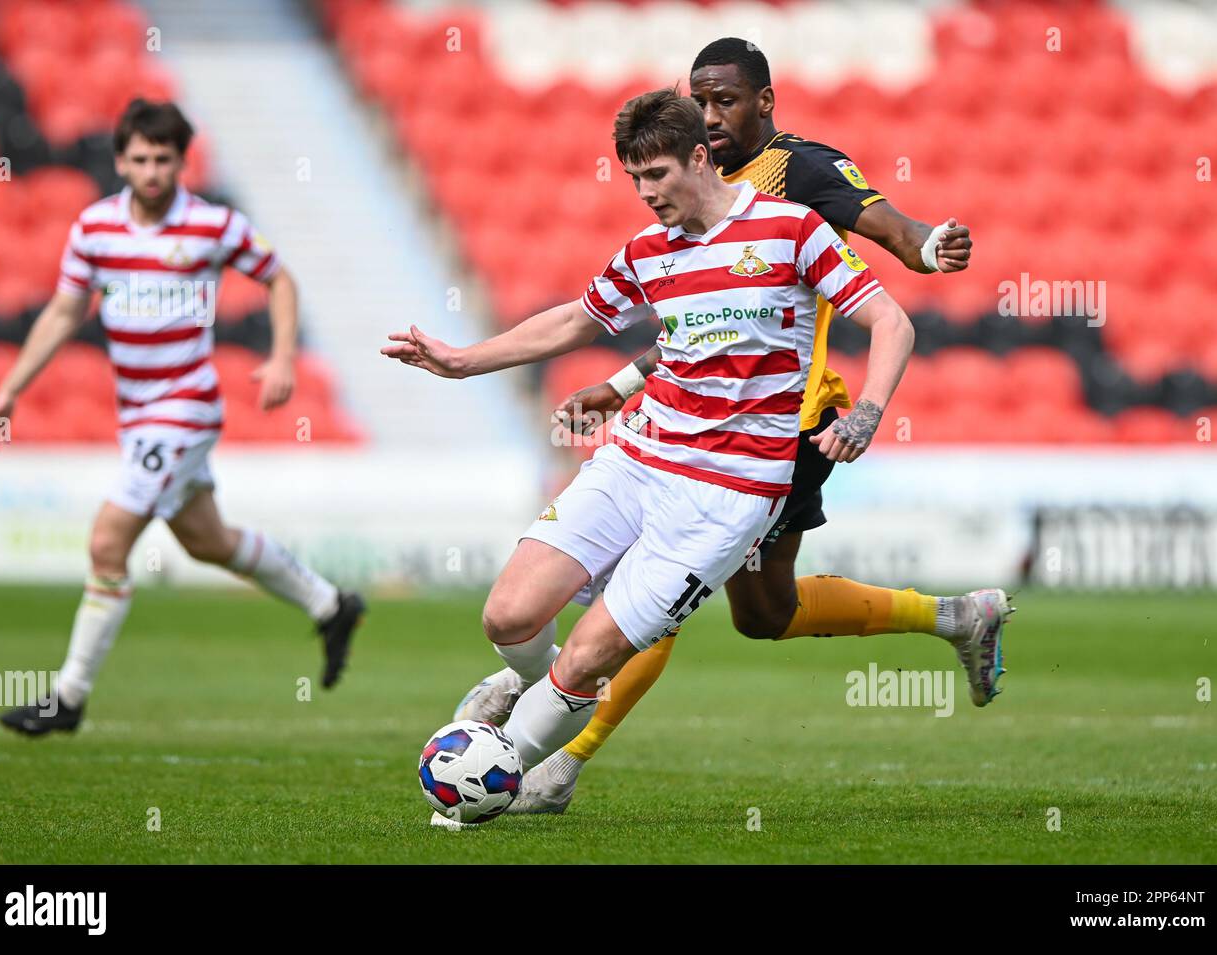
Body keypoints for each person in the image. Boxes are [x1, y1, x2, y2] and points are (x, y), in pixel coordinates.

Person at [462, 38, 1011, 815]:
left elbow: (892, 234)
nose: (712, 115)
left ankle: (558, 760)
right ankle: (955, 614)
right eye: (701, 101)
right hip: (694, 432)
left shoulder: (797, 173)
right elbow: (702, 327)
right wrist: (622, 384)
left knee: (656, 602)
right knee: (760, 614)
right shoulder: (689, 203)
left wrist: (927, 243)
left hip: (789, 431)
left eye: (725, 101)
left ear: (764, 102)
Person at [382, 85, 916, 828]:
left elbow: (890, 321)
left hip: (728, 495)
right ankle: (527, 694)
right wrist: (464, 360)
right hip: (637, 459)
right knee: (507, 617)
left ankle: (491, 781)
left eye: (657, 174)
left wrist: (867, 412)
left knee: (587, 660)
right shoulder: (648, 252)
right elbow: (576, 319)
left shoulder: (792, 230)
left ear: (699, 157)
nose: (645, 193)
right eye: (634, 178)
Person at [0, 99, 365, 736]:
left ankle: (68, 697)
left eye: (163, 159)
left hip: (184, 410)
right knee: (208, 541)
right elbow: (65, 311)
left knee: (107, 542)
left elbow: (280, 279)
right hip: (137, 414)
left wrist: (282, 358)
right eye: (140, 159)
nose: (152, 171)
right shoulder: (95, 228)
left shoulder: (212, 225)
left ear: (182, 162)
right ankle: (331, 604)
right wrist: (10, 389)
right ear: (120, 162)